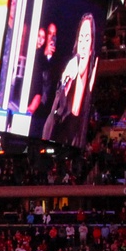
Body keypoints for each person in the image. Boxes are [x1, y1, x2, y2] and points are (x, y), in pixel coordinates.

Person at [40, 13, 97, 149]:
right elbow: (51, 123)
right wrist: (63, 89)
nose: (83, 45)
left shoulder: (91, 80)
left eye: (87, 39)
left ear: (91, 47)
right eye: (81, 39)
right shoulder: (69, 70)